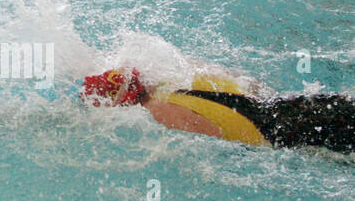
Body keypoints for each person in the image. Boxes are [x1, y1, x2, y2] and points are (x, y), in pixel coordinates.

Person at [82, 66, 355, 154]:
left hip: (286, 134)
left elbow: (216, 142)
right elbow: (254, 85)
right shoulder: (177, 75)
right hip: (296, 105)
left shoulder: (158, 113)